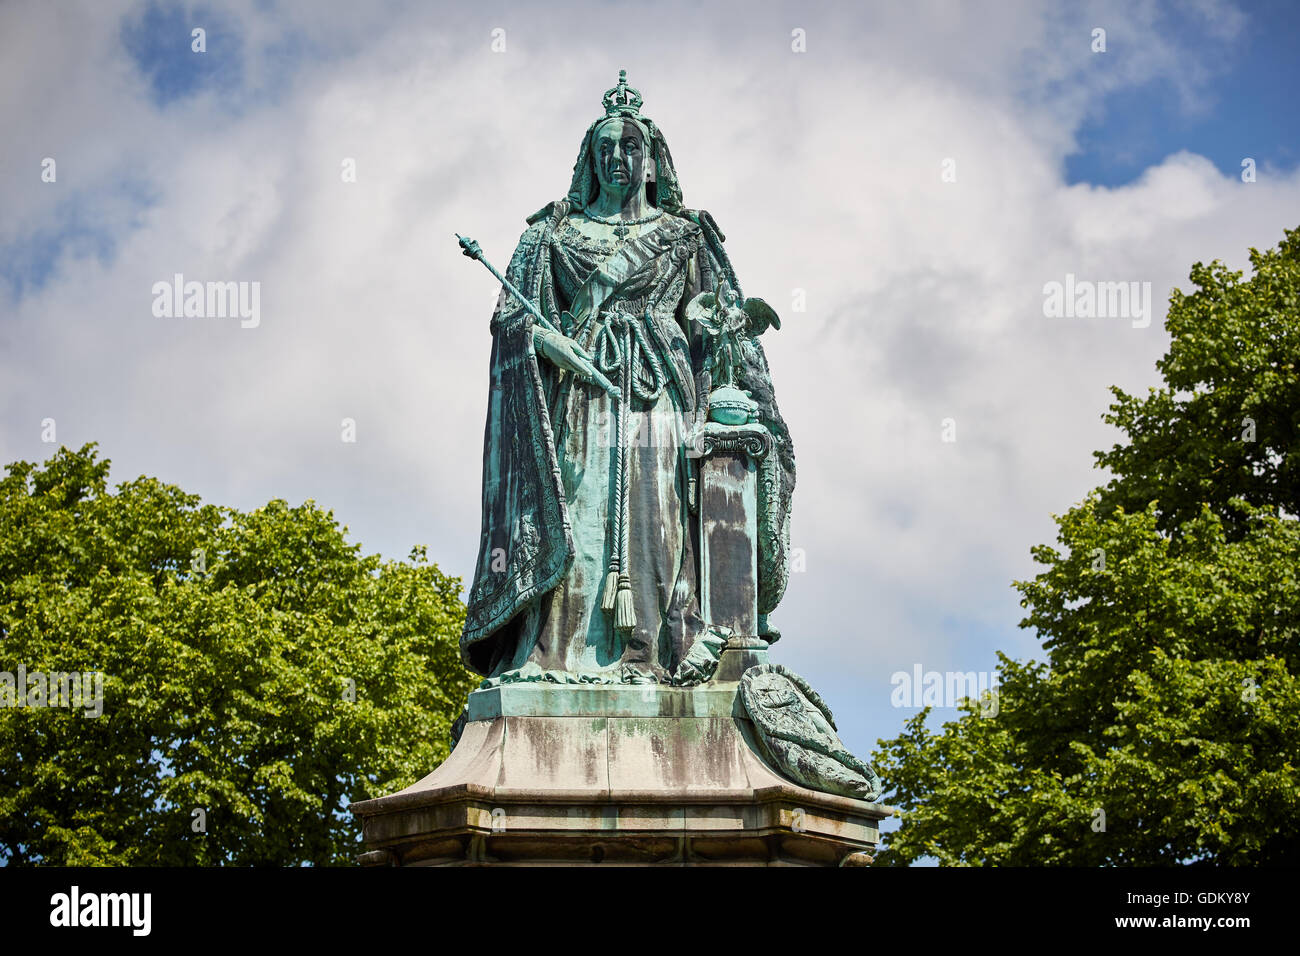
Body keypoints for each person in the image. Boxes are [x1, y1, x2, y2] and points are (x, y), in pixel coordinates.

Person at [460, 72, 794, 684]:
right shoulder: (550, 237)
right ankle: (553, 655)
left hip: (658, 398)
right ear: (589, 161)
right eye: (604, 148)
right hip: (579, 397)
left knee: (659, 512)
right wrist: (546, 340)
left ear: (651, 161)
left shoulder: (685, 238)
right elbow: (510, 321)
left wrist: (737, 391)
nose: (617, 157)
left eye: (629, 147)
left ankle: (654, 655)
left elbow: (722, 331)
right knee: (575, 505)